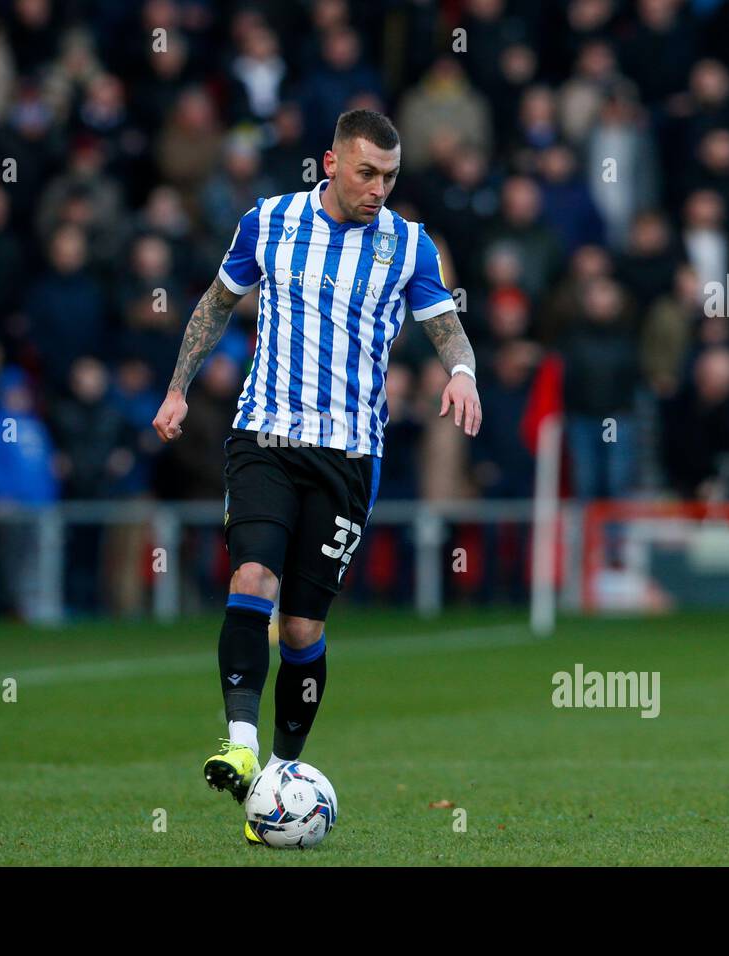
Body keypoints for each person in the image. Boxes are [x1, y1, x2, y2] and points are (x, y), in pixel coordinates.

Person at [152, 109, 482, 845]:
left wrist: (462, 372)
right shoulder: (267, 221)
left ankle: (280, 772)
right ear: (330, 164)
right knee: (252, 582)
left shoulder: (408, 245)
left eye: (391, 177)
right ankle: (238, 739)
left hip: (348, 456)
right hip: (265, 436)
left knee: (302, 626)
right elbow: (215, 304)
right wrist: (177, 388)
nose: (379, 189)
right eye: (367, 172)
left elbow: (444, 324)